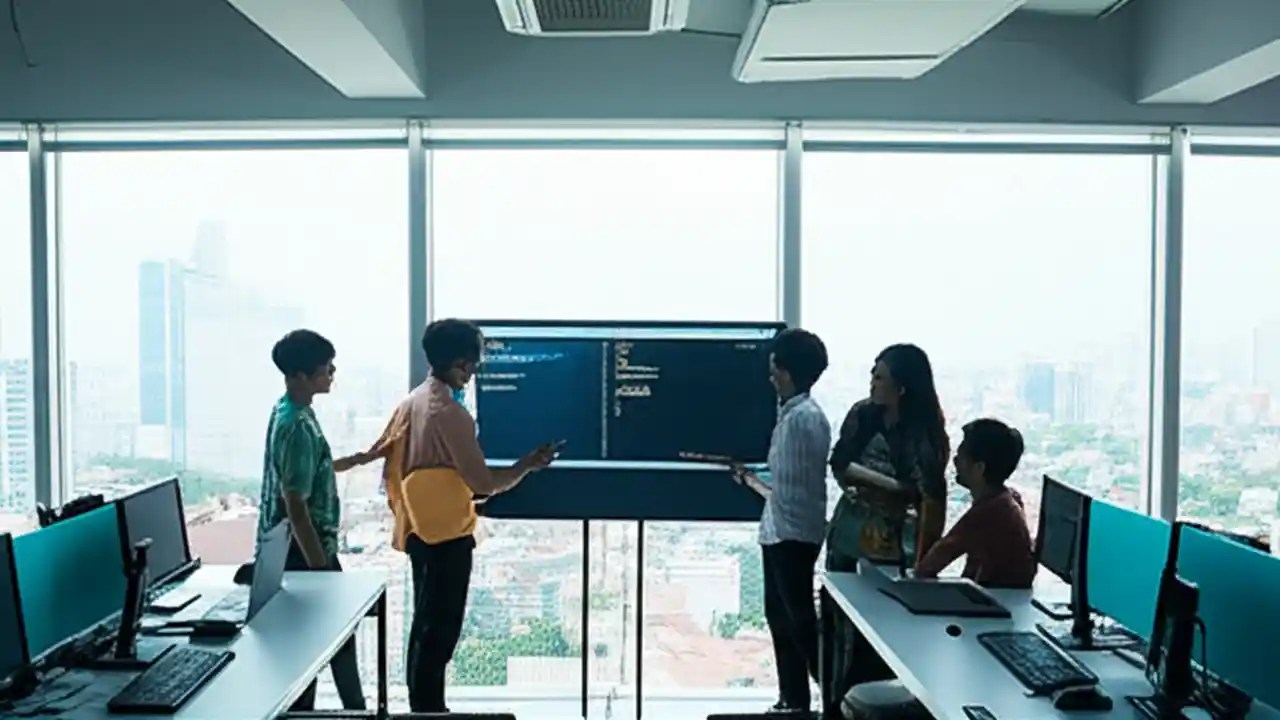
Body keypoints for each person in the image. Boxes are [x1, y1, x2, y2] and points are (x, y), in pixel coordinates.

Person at [378, 318, 560, 713]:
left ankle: (422, 708)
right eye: (474, 363)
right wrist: (526, 465)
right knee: (441, 630)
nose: (475, 371)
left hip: (420, 530)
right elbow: (482, 483)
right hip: (447, 536)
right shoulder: (452, 414)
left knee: (424, 627)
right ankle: (431, 712)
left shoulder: (415, 401)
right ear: (461, 363)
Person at [257, 329, 380, 711]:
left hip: (297, 550)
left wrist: (361, 458)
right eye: (325, 368)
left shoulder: (290, 411)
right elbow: (296, 504)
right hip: (305, 553)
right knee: (319, 647)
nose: (332, 372)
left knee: (317, 647)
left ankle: (353, 710)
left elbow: (313, 471)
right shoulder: (296, 426)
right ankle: (353, 710)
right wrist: (320, 568)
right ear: (300, 375)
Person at [825, 343, 949, 700]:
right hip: (849, 534)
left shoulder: (923, 433)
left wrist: (925, 565)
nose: (872, 384)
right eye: (872, 375)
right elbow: (840, 464)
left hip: (893, 546)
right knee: (837, 631)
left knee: (880, 637)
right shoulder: (862, 416)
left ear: (902, 387)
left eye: (880, 377)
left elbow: (931, 500)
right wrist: (895, 488)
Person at [732, 328, 832, 716]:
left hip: (789, 534)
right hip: (789, 532)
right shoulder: (804, 416)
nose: (770, 376)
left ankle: (825, 696)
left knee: (798, 623)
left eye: (774, 368)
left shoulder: (798, 421)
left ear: (787, 372)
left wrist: (746, 479)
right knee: (784, 620)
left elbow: (784, 493)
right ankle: (793, 701)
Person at [916, 418, 1036, 588]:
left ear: (979, 468)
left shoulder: (989, 512)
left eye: (962, 456)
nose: (955, 461)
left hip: (993, 602)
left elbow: (929, 565)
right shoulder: (1007, 500)